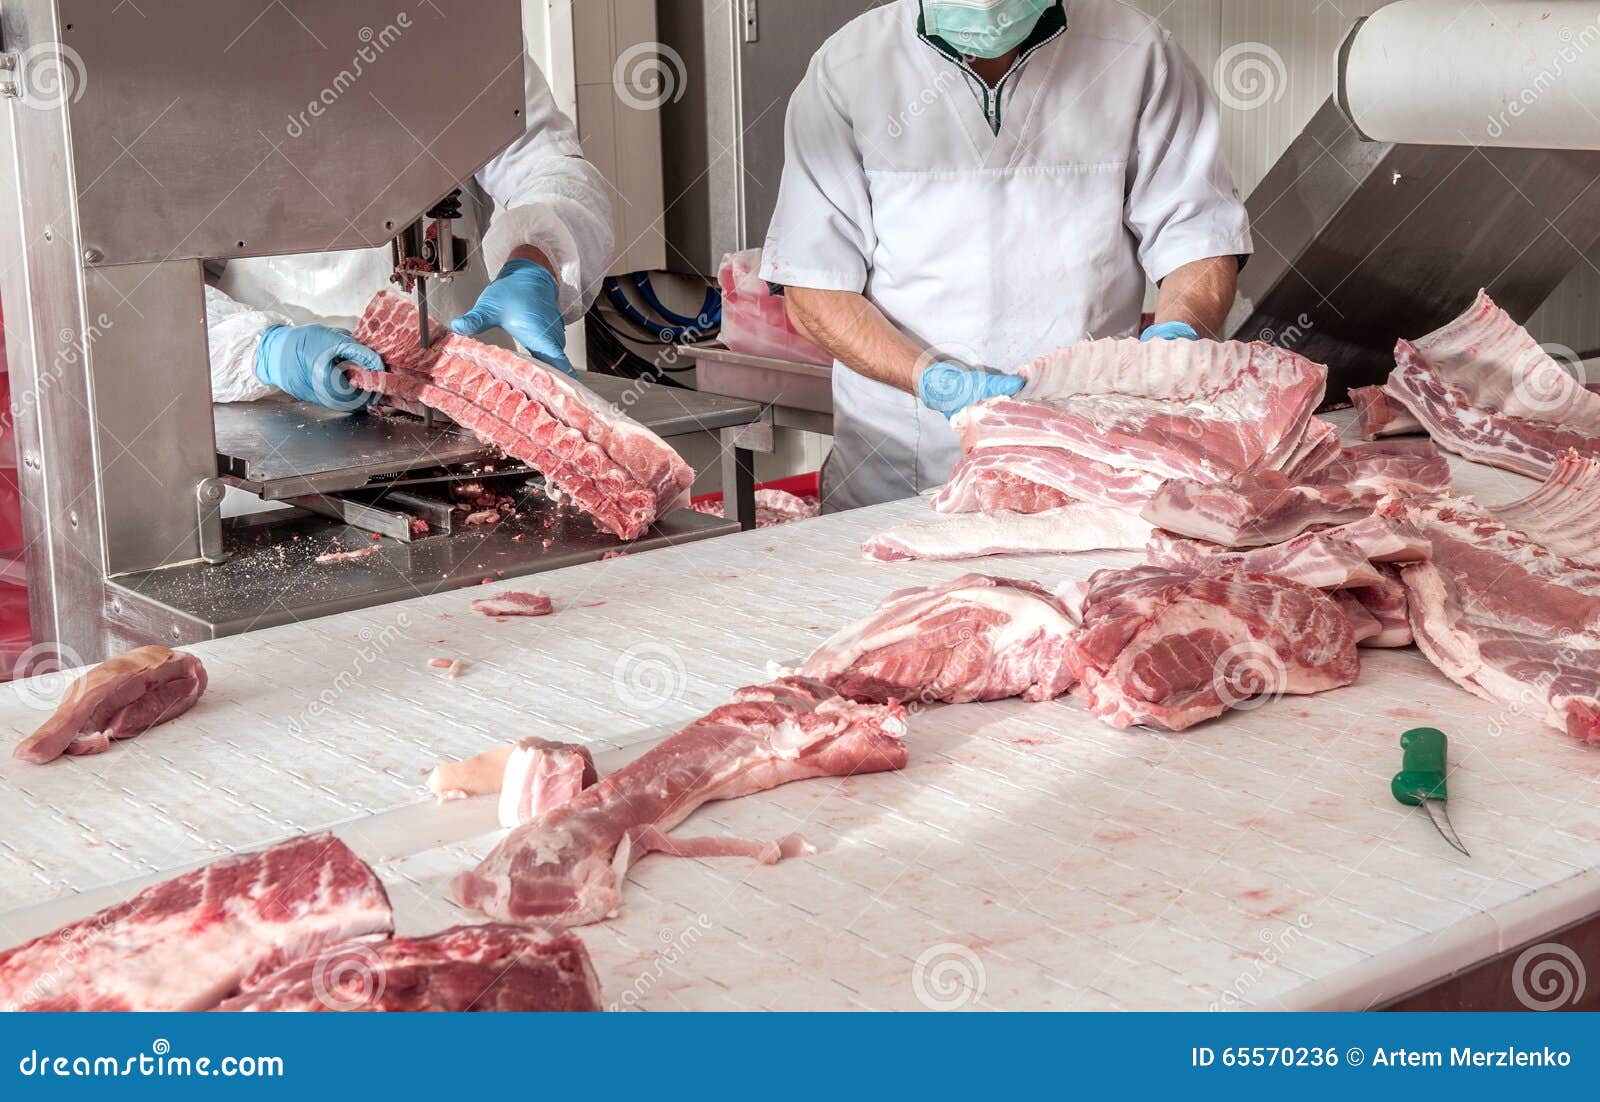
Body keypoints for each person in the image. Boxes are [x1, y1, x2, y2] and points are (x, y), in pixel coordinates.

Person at [761, 0, 1253, 511]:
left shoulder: (1139, 51)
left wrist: (1180, 336)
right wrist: (932, 379)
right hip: (895, 477)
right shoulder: (848, 67)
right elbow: (814, 283)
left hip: (1088, 464)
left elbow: (1198, 236)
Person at [205, 53, 613, 411]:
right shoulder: (204, 51)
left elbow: (547, 167)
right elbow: (152, 285)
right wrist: (262, 351)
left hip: (466, 398)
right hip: (274, 414)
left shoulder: (460, 26)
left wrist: (535, 261)